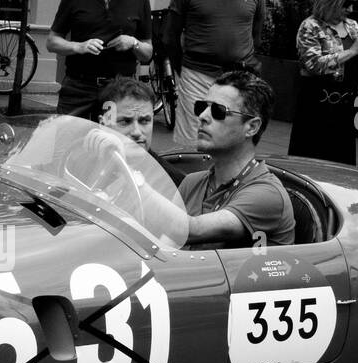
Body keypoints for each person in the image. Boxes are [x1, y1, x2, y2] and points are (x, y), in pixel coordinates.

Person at [92, 72, 292, 249]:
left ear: (252, 127)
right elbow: (163, 249)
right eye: (202, 107)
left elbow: (191, 230)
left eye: (218, 111)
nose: (203, 116)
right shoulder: (193, 182)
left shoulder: (267, 194)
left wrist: (124, 167)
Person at [162, 0, 265, 149]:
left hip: (240, 80)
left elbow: (257, 31)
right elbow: (169, 36)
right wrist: (184, 70)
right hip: (198, 75)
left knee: (235, 142)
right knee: (194, 144)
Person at [47, 0, 153, 117]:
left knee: (111, 145)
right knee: (69, 143)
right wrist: (78, 46)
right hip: (78, 88)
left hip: (120, 92)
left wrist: (133, 43)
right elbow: (52, 42)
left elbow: (147, 53)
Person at [288, 0, 358, 165]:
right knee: (310, 164)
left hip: (345, 107)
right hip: (317, 106)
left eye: (353, 3)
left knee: (342, 166)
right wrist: (353, 51)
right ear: (331, 0)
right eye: (346, 3)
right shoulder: (310, 26)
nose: (351, 9)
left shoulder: (352, 25)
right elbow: (313, 64)